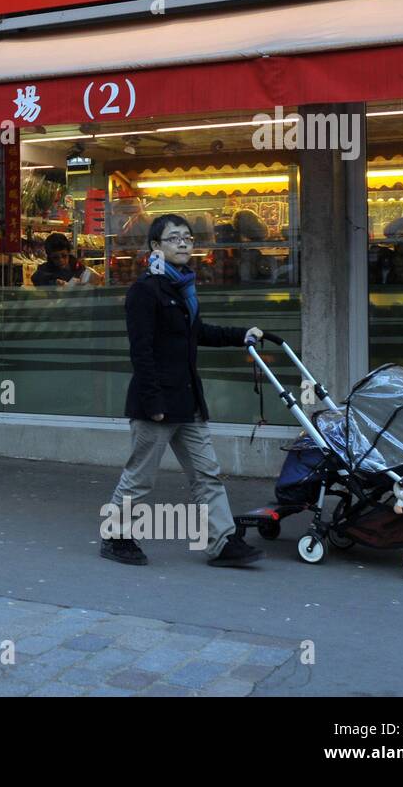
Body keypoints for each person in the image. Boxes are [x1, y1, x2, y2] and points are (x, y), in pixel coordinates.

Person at [100, 214, 265, 568]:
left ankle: (222, 542)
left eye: (188, 238)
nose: (184, 243)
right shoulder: (145, 291)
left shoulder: (183, 288)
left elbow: (197, 332)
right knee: (140, 478)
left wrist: (240, 335)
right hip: (157, 402)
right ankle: (115, 537)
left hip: (187, 400)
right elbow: (140, 351)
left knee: (207, 474)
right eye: (174, 238)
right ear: (155, 247)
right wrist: (153, 400)